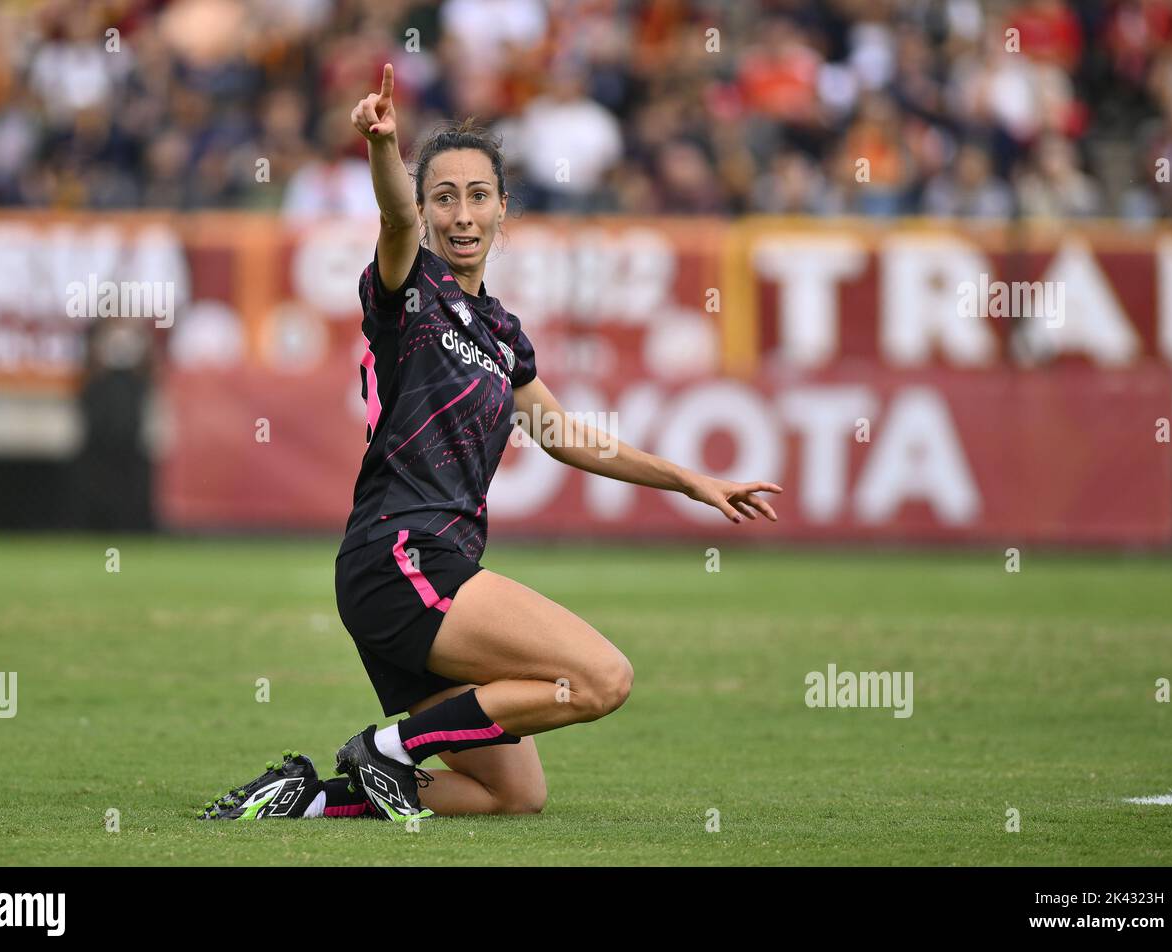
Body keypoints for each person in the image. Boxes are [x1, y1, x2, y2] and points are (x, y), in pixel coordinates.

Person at [199, 64, 782, 822]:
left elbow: (562, 435)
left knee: (511, 796)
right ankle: (388, 748)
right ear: (424, 209)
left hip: (430, 570)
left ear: (504, 208)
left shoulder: (502, 334)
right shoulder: (410, 291)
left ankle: (305, 799)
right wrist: (383, 146)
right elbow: (394, 222)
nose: (462, 214)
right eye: (444, 197)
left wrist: (690, 480)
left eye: (479, 196)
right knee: (602, 678)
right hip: (401, 556)